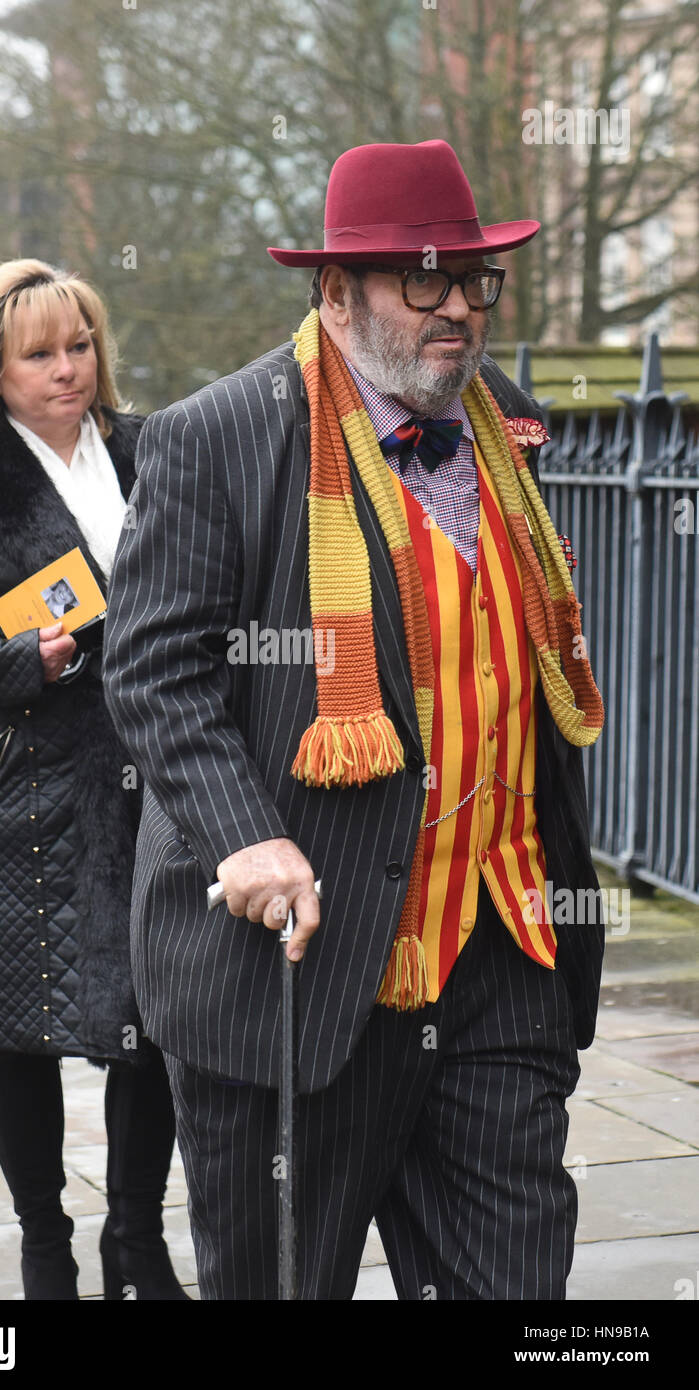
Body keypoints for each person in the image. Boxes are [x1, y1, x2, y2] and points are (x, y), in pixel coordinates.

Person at [102, 140, 605, 1301]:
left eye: (475, 280)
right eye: (421, 280)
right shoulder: (218, 436)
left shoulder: (508, 425)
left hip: (496, 955)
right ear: (335, 294)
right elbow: (153, 670)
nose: (459, 310)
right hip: (294, 979)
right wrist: (243, 832)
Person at [0, 259, 188, 1301]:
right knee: (17, 1026)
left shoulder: (152, 452)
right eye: (40, 353)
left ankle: (135, 1243)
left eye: (80, 344)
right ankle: (43, 1244)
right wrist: (17, 660)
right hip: (13, 793)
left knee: (152, 1016)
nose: (67, 369)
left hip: (152, 785)